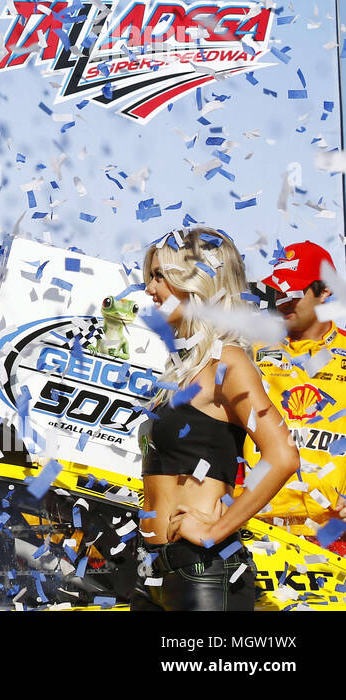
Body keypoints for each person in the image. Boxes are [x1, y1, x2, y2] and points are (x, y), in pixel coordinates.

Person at [134, 228, 299, 610]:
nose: (150, 289)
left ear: (195, 282)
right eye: (151, 277)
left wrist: (217, 529)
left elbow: (284, 456)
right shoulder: (179, 369)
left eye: (160, 276)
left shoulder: (229, 362)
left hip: (203, 571)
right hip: (151, 571)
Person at [240, 241, 346, 553]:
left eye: (295, 291)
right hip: (256, 530)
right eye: (278, 289)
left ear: (325, 290)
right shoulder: (249, 350)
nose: (284, 300)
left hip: (332, 537)